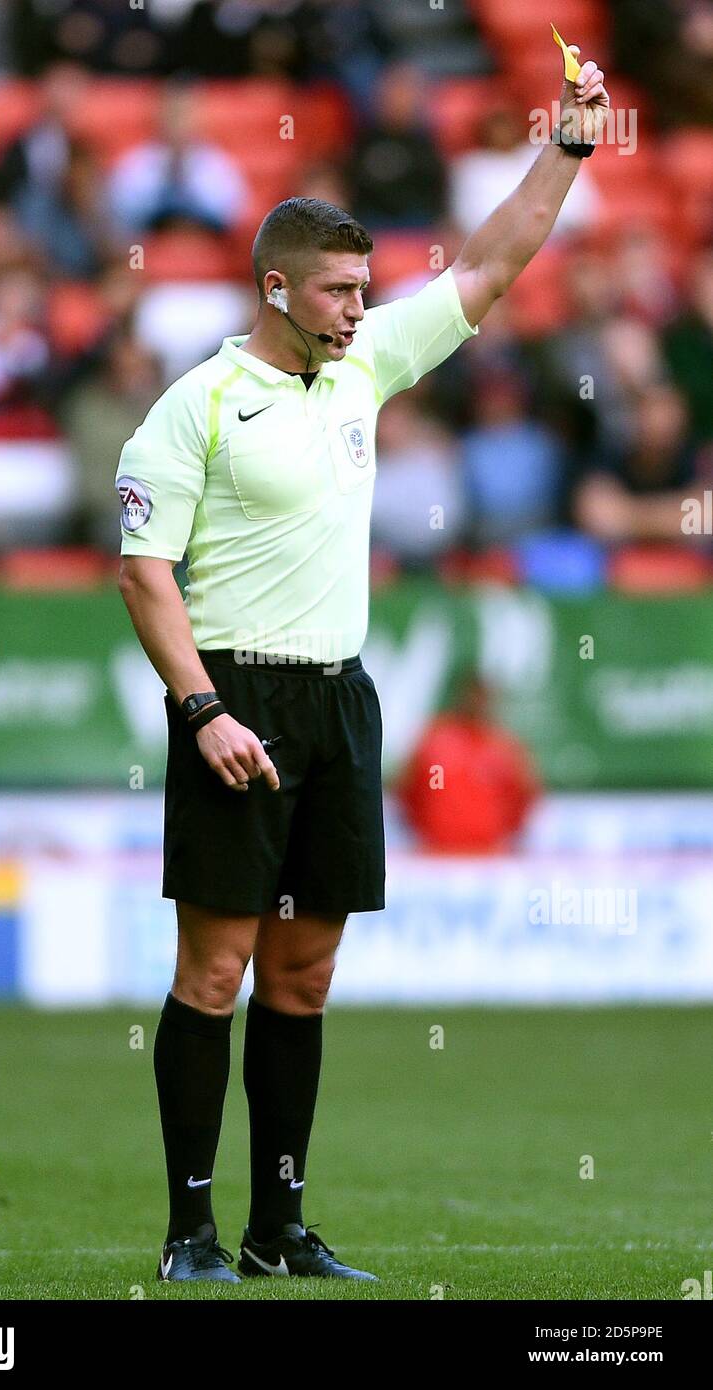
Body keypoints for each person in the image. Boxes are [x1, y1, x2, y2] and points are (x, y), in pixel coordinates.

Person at [115, 45, 610, 1282]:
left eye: (362, 290)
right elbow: (143, 572)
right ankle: (189, 1231)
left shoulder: (366, 370)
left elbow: (492, 262)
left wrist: (568, 144)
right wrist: (202, 709)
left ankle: (279, 1225)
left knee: (306, 970)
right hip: (236, 694)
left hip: (337, 696)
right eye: (337, 290)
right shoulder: (198, 406)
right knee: (215, 967)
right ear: (274, 286)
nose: (355, 307)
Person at [398, 674, 541, 854]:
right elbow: (408, 793)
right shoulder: (435, 742)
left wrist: (496, 837)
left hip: (488, 856)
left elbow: (523, 798)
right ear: (461, 696)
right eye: (473, 695)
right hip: (436, 856)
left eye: (483, 697)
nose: (478, 702)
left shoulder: (505, 748)